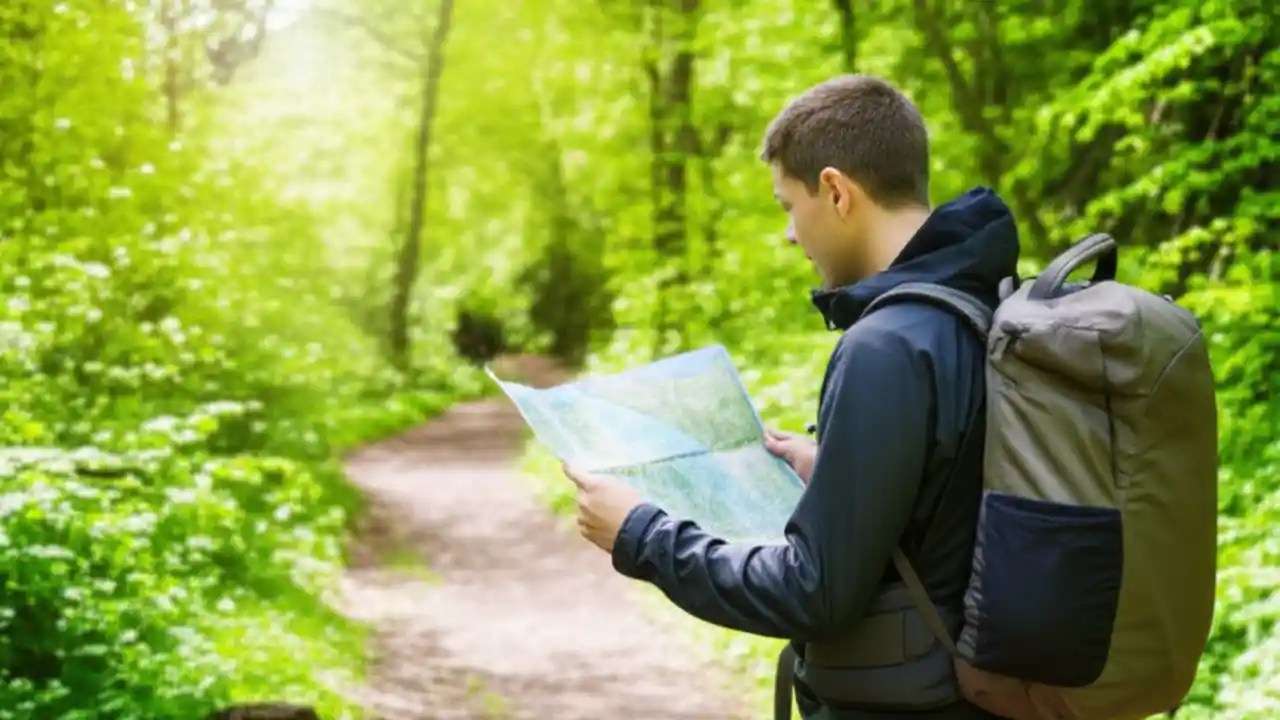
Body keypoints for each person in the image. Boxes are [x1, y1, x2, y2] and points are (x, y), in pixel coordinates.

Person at [561, 74, 1018, 719]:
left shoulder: (886, 346)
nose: (789, 235)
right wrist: (830, 468)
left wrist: (641, 533)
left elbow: (814, 593)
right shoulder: (983, 305)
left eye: (786, 205)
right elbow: (952, 506)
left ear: (835, 191)